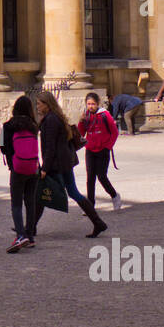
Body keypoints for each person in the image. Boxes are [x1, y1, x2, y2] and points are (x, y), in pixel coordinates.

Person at [33, 89, 107, 238]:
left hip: (56, 164)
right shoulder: (55, 117)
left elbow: (50, 147)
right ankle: (98, 222)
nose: (38, 107)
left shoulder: (51, 120)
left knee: (41, 194)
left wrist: (45, 168)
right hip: (64, 162)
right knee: (71, 192)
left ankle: (29, 228)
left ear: (47, 104)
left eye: (39, 104)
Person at [0, 95, 40, 253]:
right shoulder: (33, 125)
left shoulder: (8, 126)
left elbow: (2, 147)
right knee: (30, 202)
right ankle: (30, 235)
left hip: (17, 168)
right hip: (33, 167)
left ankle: (20, 235)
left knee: (16, 204)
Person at [78, 92, 121, 211]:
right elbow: (80, 133)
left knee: (101, 176)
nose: (90, 106)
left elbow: (114, 132)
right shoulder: (86, 115)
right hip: (90, 149)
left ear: (97, 104)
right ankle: (90, 205)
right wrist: (81, 121)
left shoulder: (104, 115)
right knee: (90, 178)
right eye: (88, 104)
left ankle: (114, 195)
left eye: (93, 104)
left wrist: (108, 146)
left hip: (103, 149)